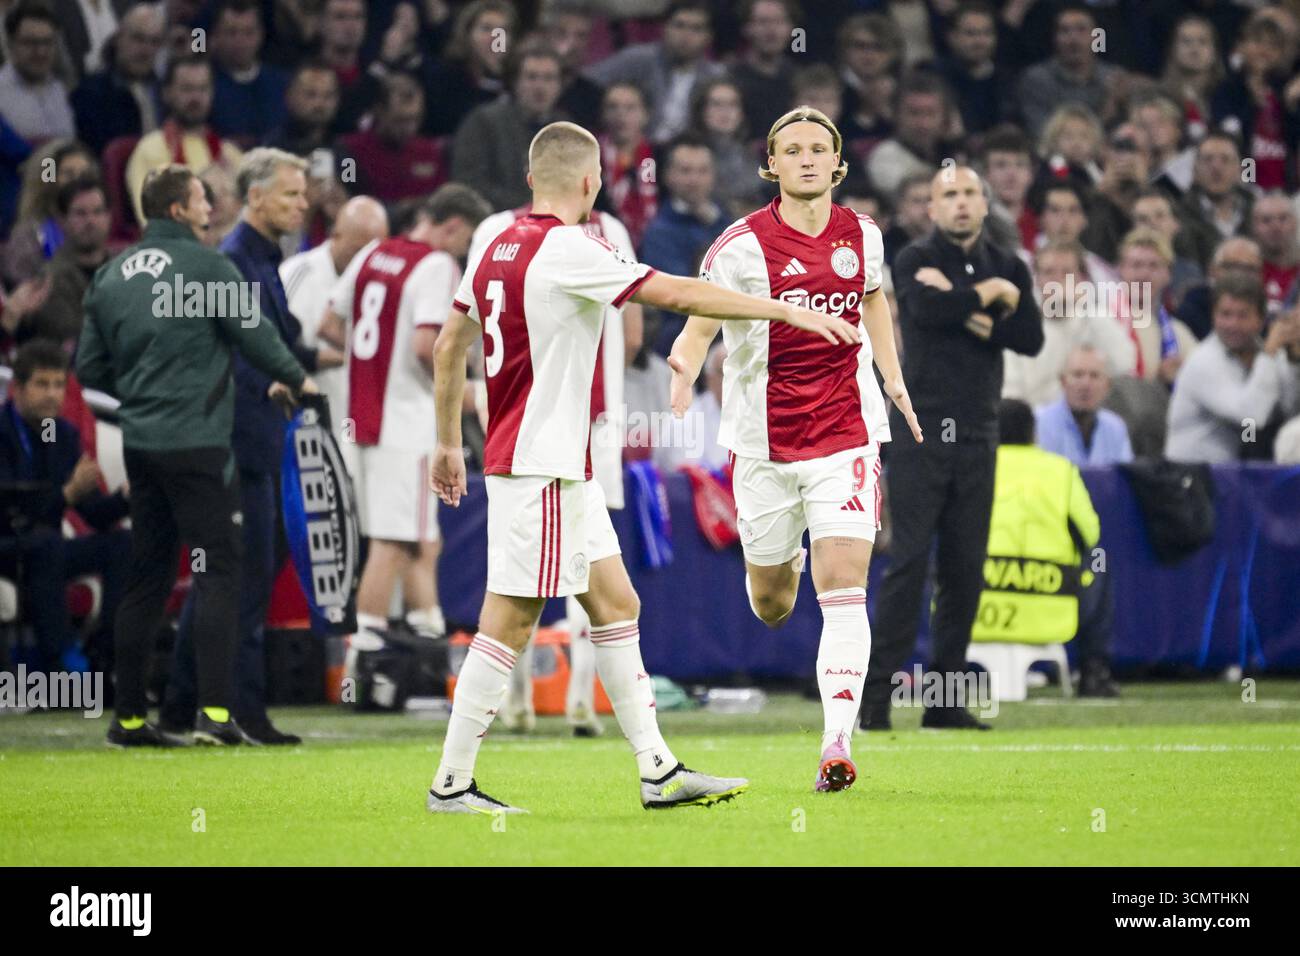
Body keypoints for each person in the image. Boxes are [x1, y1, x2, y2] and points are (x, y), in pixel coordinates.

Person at [426, 120, 861, 814]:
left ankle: (657, 770)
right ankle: (451, 783)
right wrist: (784, 308)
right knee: (508, 619)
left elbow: (452, 342)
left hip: (555, 466)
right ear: (592, 183)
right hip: (540, 464)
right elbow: (681, 295)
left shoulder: (496, 244)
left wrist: (448, 441)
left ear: (532, 178)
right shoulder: (571, 247)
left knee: (616, 603)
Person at [668, 105, 920, 792]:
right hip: (764, 444)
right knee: (773, 602)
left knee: (846, 591)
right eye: (792, 149)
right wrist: (685, 369)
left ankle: (836, 743)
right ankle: (784, 562)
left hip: (847, 434)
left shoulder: (863, 235)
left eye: (819, 149)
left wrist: (892, 378)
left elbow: (873, 299)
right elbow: (699, 323)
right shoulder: (739, 247)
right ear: (769, 164)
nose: (807, 159)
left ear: (837, 164)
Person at [76, 163, 316, 747]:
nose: (213, 209)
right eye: (204, 200)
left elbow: (89, 368)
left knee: (147, 578)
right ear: (180, 210)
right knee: (219, 575)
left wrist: (142, 391)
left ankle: (129, 719)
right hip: (201, 447)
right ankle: (214, 717)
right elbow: (263, 342)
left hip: (141, 446)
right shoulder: (210, 268)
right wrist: (298, 381)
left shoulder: (111, 275)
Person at [160, 149, 339, 746]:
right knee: (245, 580)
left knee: (224, 579)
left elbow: (272, 341)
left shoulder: (259, 262)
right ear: (256, 197)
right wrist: (278, 381)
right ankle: (241, 711)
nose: (302, 203)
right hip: (236, 442)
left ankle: (183, 707)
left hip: (251, 441)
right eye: (290, 194)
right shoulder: (236, 262)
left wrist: (311, 362)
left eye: (302, 194)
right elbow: (235, 354)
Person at [862, 165, 1044, 732]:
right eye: (949, 196)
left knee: (965, 569)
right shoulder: (916, 259)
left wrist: (969, 306)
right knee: (909, 563)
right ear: (933, 208)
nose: (961, 203)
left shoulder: (1011, 264)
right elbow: (923, 311)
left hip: (980, 431)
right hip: (921, 429)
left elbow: (1031, 337)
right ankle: (874, 701)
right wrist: (989, 299)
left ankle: (944, 702)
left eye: (970, 193)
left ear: (985, 204)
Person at [467, 201, 644, 737]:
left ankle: (518, 705)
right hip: (590, 426)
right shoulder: (607, 231)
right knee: (577, 583)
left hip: (518, 426)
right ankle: (578, 704)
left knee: (528, 572)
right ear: (588, 181)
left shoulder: (494, 229)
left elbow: (471, 333)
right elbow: (632, 333)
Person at [320, 184, 490, 669]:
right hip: (409, 421)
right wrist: (467, 392)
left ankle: (429, 634)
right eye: (467, 239)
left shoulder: (374, 252)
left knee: (421, 535)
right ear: (452, 225)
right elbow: (425, 347)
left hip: (364, 419)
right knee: (393, 541)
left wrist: (373, 365)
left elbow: (330, 327)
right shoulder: (436, 266)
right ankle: (364, 652)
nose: (465, 250)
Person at [0, 341, 130, 673]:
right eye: (42, 384)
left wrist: (126, 497)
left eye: (59, 384)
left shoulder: (62, 435)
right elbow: (13, 514)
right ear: (17, 388)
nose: (52, 394)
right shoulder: (2, 433)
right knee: (46, 543)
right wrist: (67, 494)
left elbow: (94, 514)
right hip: (8, 546)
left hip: (47, 549)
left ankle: (108, 654)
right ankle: (63, 662)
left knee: (122, 545)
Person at [989, 399, 1116, 697]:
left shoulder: (972, 467)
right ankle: (1093, 671)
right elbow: (1091, 532)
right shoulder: (1059, 470)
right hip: (1047, 605)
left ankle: (941, 673)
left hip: (977, 611)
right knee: (1099, 562)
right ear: (1034, 433)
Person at [280, 196, 390, 445]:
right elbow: (276, 350)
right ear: (335, 235)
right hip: (308, 421)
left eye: (373, 252)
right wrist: (342, 357)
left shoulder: (383, 279)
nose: (363, 260)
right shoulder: (296, 275)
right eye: (357, 251)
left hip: (360, 427)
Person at [1167, 277, 1300, 463]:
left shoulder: (1263, 356)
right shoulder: (1203, 361)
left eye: (1242, 315)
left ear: (1261, 320)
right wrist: (1270, 353)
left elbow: (1289, 410)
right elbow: (1250, 415)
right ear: (1213, 316)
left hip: (1236, 474)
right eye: (1225, 314)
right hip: (1191, 477)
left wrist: (1294, 359)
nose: (1232, 324)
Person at [1002, 240, 1135, 408]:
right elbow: (1011, 391)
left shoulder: (1096, 319)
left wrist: (1085, 308)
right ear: (1036, 280)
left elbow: (1123, 364)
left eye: (1066, 273)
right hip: (1036, 422)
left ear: (1081, 278)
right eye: (1049, 272)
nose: (1057, 280)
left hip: (1089, 419)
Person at [124, 55, 243, 225]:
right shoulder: (148, 150)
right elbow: (151, 222)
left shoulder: (230, 153)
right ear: (167, 93)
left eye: (203, 89)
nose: (196, 98)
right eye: (187, 89)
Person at [584, 0, 724, 143]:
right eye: (679, 25)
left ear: (708, 37)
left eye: (696, 28)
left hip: (689, 155)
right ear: (664, 28)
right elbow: (586, 83)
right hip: (638, 150)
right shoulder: (637, 59)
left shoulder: (715, 77)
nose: (686, 35)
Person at [451, 42, 566, 211]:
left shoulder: (567, 129)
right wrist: (529, 208)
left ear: (559, 85)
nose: (540, 87)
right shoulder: (483, 122)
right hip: (495, 224)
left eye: (549, 78)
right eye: (531, 77)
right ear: (515, 82)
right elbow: (469, 184)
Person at [14, 176, 112, 347]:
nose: (90, 221)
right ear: (62, 220)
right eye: (80, 213)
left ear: (109, 217)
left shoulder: (127, 270)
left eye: (98, 212)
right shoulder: (48, 280)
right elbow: (69, 334)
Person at [70, 2, 166, 155]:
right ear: (119, 38)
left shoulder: (165, 91)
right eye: (138, 39)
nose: (146, 50)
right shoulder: (90, 94)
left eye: (154, 42)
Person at [1034, 344, 1134, 466]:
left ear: (1108, 385)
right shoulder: (1039, 422)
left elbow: (1124, 479)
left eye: (1094, 376)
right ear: (1063, 381)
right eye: (1078, 375)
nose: (1086, 384)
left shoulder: (1115, 427)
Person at [0, 1, 76, 143]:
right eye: (30, 42)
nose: (41, 51)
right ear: (10, 44)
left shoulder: (59, 89)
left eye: (47, 42)